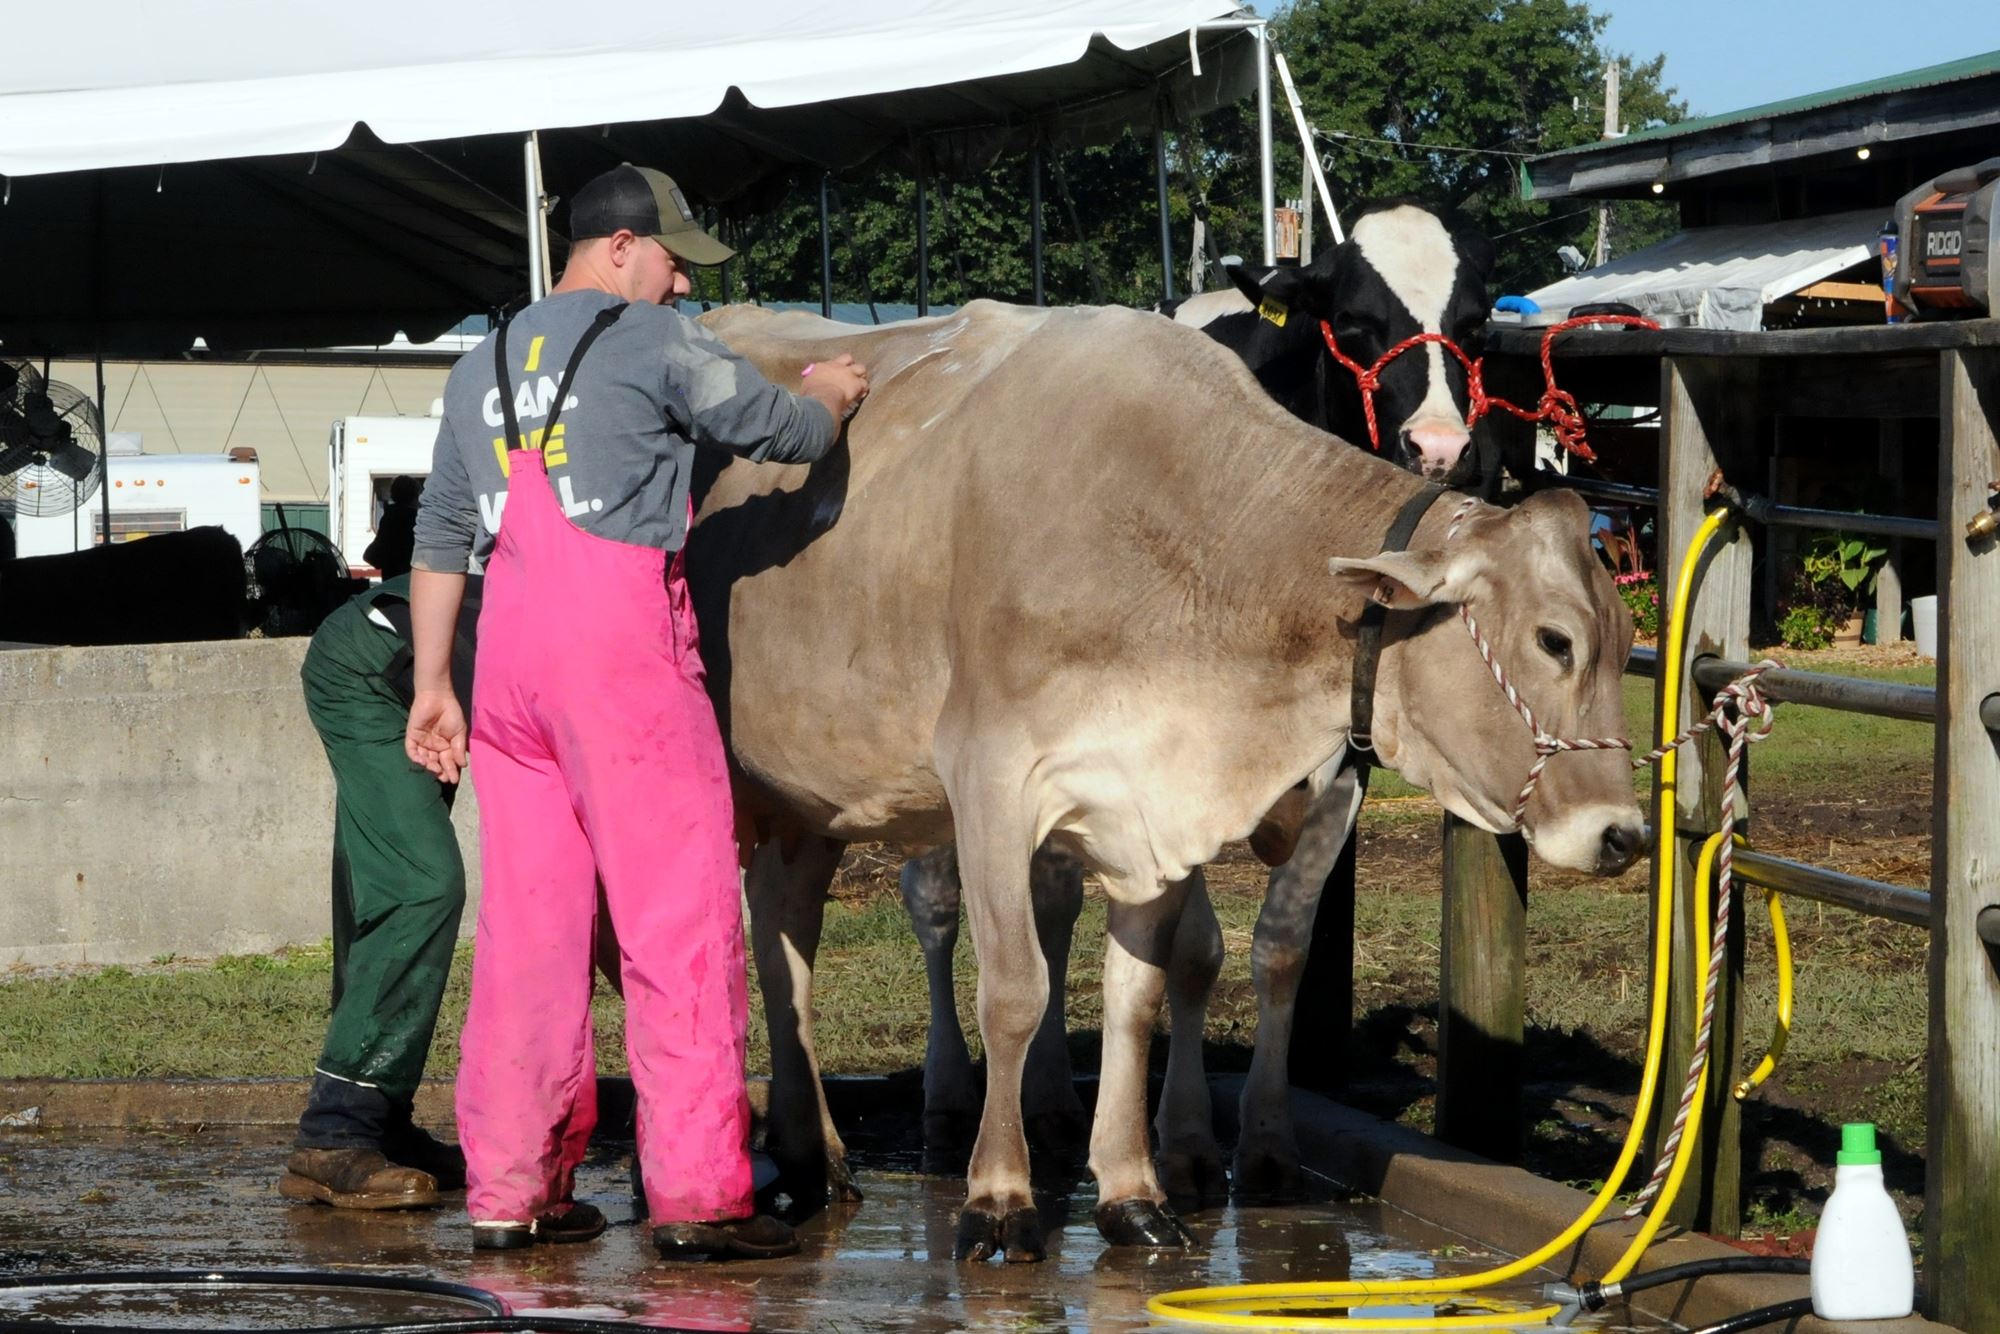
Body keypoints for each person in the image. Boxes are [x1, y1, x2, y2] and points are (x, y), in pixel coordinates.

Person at [403, 163, 867, 1259]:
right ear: (619, 248)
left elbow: (439, 534)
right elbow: (778, 432)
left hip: (506, 668)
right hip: (620, 662)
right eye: (672, 261)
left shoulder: (476, 366)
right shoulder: (654, 339)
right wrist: (830, 392)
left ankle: (511, 1191)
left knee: (528, 938)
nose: (681, 284)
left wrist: (432, 687)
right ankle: (699, 1197)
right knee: (677, 923)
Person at [281, 572, 482, 1210]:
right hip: (371, 662)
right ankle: (335, 1132)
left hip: (430, 674)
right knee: (420, 888)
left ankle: (381, 1122)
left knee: (387, 888)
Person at [363, 475, 422, 578]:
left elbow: (374, 553)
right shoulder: (417, 520)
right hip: (412, 577)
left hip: (391, 577)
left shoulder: (389, 517)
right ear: (414, 497)